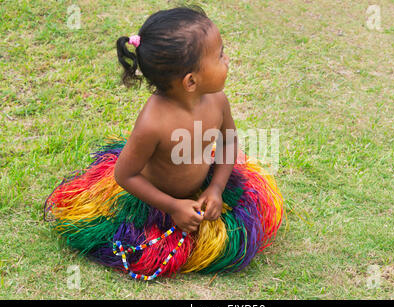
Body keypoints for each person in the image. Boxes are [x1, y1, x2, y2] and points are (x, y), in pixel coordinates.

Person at [44, 6, 284, 280]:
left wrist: (216, 188)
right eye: (219, 56)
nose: (227, 60)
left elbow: (229, 142)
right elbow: (124, 174)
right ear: (191, 81)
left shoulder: (218, 100)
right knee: (142, 251)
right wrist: (172, 206)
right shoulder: (153, 123)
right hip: (157, 201)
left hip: (204, 187)